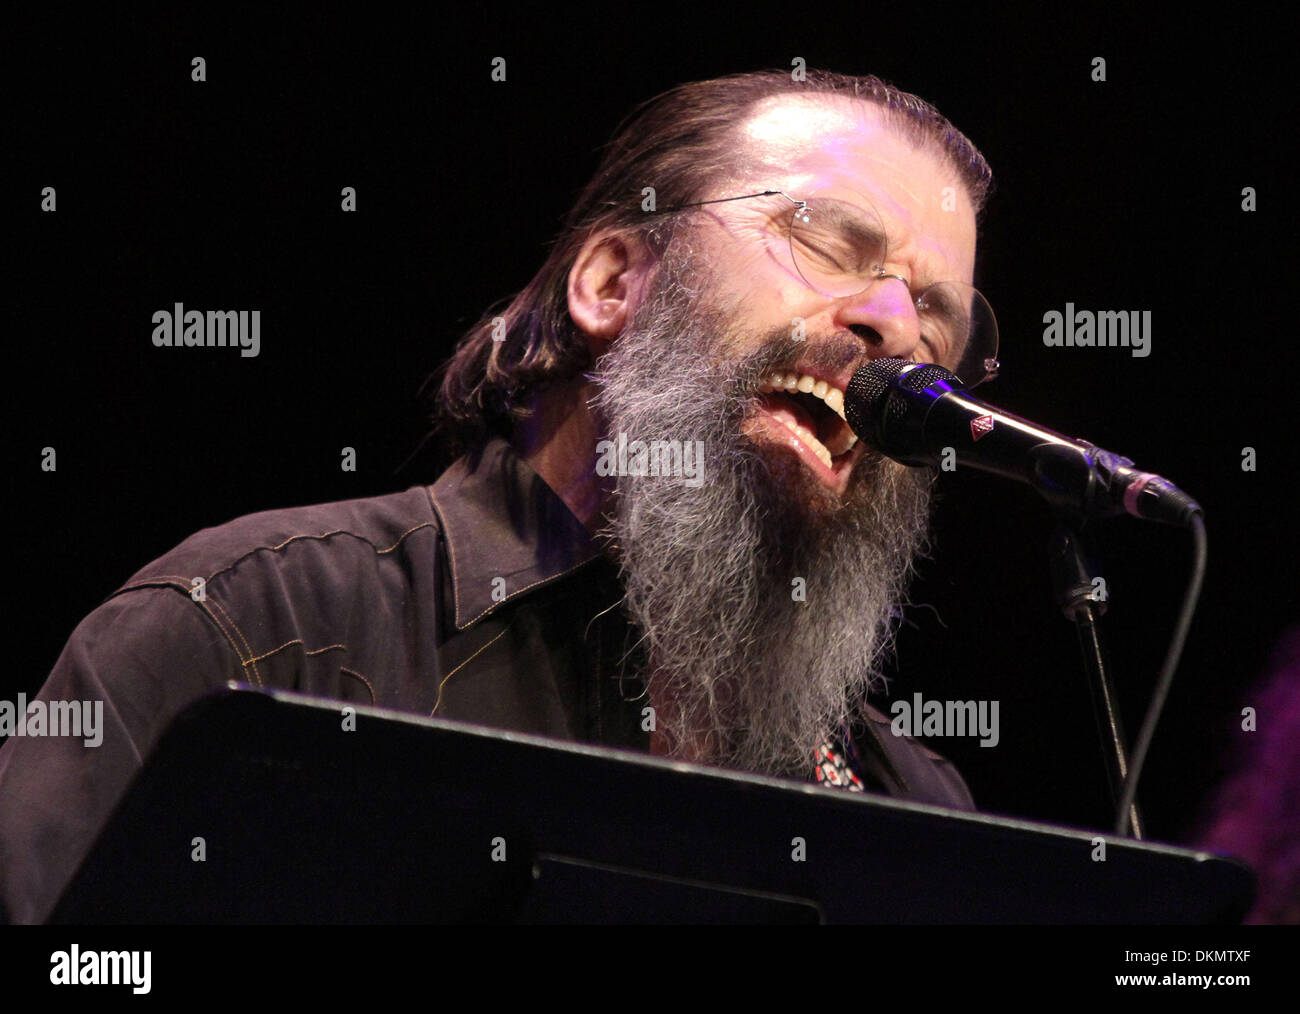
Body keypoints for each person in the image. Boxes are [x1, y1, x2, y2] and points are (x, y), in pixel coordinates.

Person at [0, 68, 995, 923]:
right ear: (612, 281)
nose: (894, 327)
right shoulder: (261, 630)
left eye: (936, 319)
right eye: (827, 241)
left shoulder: (910, 807)